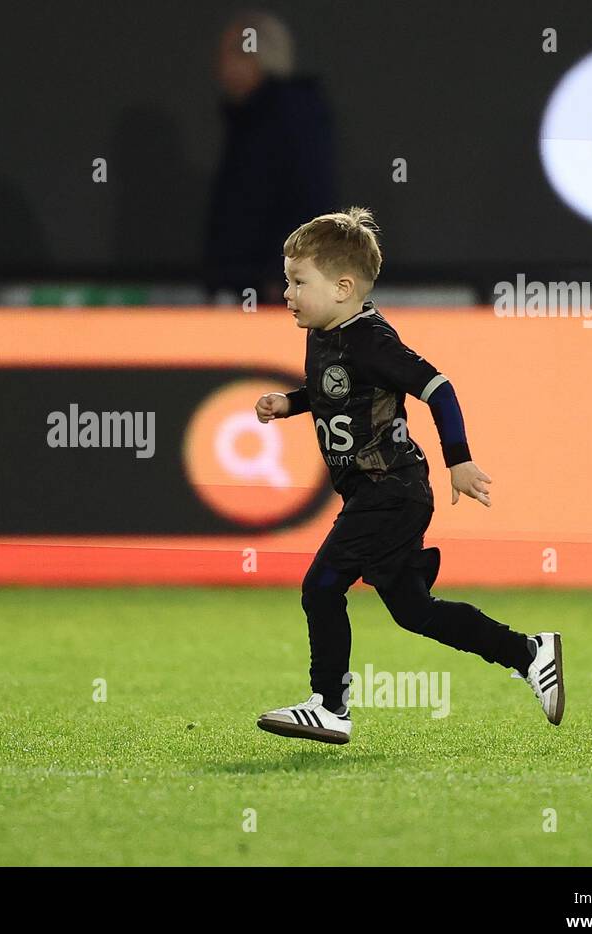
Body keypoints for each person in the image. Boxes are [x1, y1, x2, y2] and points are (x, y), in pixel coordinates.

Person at [253, 208, 563, 744]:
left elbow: (437, 387)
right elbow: (342, 392)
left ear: (344, 287)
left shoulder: (371, 339)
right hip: (378, 494)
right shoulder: (329, 332)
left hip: (390, 491)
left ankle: (329, 705)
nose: (287, 292)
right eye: (288, 280)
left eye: (298, 281)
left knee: (321, 587)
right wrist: (292, 403)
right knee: (415, 612)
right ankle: (528, 652)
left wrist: (459, 459)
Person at [205, 11, 335, 304]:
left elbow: (307, 198)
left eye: (227, 54)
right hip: (252, 286)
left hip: (269, 293)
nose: (219, 66)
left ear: (253, 58)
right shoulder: (256, 119)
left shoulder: (285, 119)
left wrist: (281, 277)